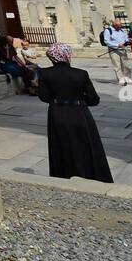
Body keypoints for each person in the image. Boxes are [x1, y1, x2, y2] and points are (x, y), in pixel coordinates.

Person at [37, 43, 112, 182]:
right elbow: (94, 99)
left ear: (52, 58)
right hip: (79, 112)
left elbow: (44, 97)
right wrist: (80, 99)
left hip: (57, 113)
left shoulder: (45, 73)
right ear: (68, 55)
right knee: (86, 146)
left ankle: (63, 175)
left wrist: (57, 99)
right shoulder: (81, 74)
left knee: (60, 146)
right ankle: (91, 175)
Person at [100, 19, 132, 86]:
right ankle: (121, 80)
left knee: (126, 65)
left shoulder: (122, 30)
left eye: (120, 26)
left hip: (123, 50)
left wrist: (128, 41)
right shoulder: (108, 31)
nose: (120, 27)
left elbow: (126, 38)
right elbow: (107, 41)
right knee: (117, 66)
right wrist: (117, 45)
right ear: (114, 25)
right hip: (114, 50)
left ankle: (128, 79)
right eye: (118, 26)